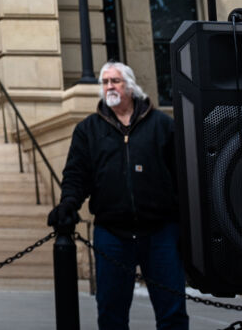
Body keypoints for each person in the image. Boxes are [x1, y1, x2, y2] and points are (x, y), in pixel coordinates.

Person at [50, 61, 187, 330]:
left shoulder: (162, 125)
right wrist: (68, 203)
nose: (109, 86)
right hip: (112, 233)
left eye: (116, 81)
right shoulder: (88, 130)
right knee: (111, 312)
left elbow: (182, 174)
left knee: (172, 311)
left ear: (131, 86)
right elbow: (77, 175)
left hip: (160, 232)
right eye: (105, 82)